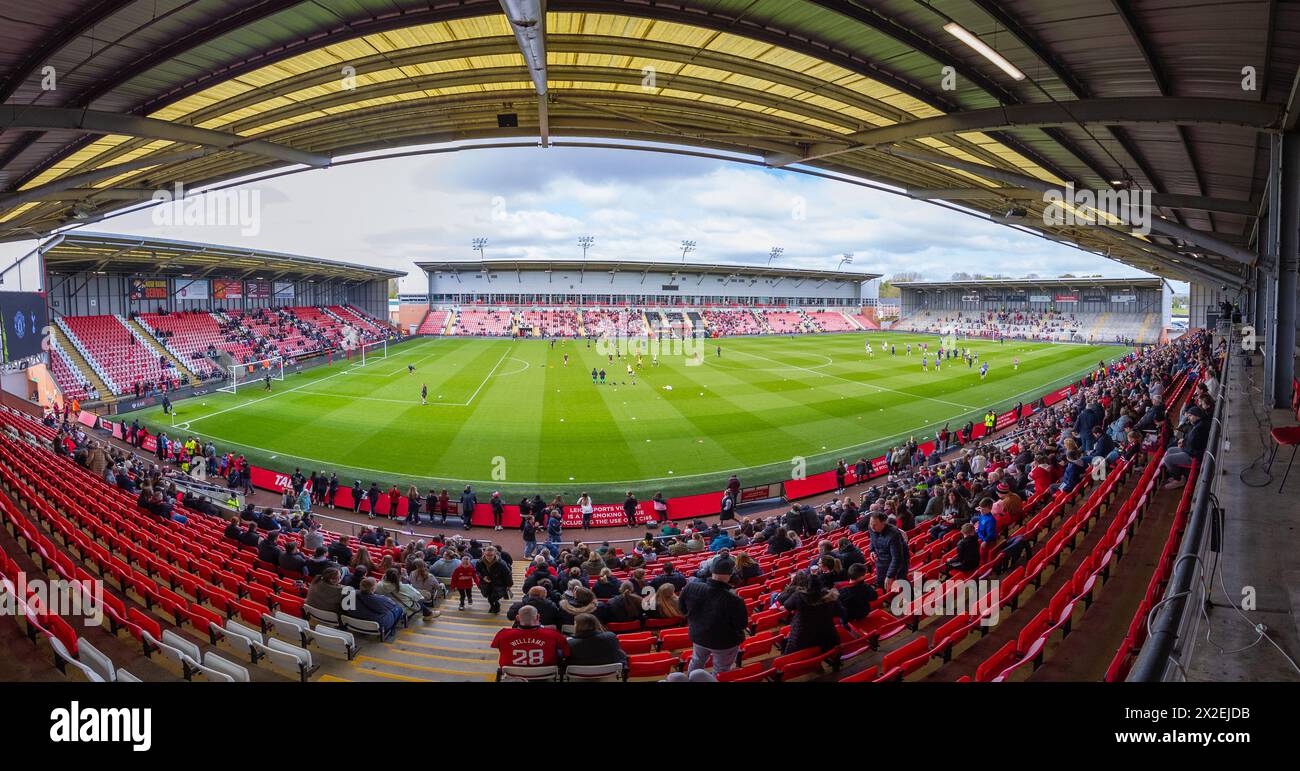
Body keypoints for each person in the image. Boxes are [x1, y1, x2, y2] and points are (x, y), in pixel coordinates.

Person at [679, 556, 748, 675]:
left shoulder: (691, 587)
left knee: (696, 661)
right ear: (731, 574)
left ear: (711, 570)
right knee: (721, 669)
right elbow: (741, 625)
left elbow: (682, 609)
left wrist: (696, 620)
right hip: (724, 643)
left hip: (699, 635)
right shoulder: (735, 600)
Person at [490, 605, 569, 669]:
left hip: (512, 673)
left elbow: (498, 647)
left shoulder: (503, 634)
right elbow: (566, 653)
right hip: (544, 673)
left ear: (517, 618)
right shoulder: (553, 634)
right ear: (538, 617)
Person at [868, 512, 909, 591]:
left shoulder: (894, 534)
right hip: (881, 561)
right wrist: (872, 551)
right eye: (871, 523)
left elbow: (897, 558)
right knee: (881, 583)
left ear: (883, 523)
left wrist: (890, 575)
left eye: (875, 524)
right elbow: (872, 540)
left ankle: (910, 600)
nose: (872, 526)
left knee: (901, 582)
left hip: (899, 561)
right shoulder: (871, 528)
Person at [475, 547, 513, 613]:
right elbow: (477, 571)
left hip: (498, 583)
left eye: (491, 555)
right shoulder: (479, 562)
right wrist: (483, 577)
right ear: (484, 553)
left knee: (494, 596)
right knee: (489, 596)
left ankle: (496, 605)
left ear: (495, 554)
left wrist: (509, 584)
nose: (488, 557)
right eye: (487, 555)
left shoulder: (501, 563)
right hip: (486, 583)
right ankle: (492, 605)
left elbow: (507, 574)